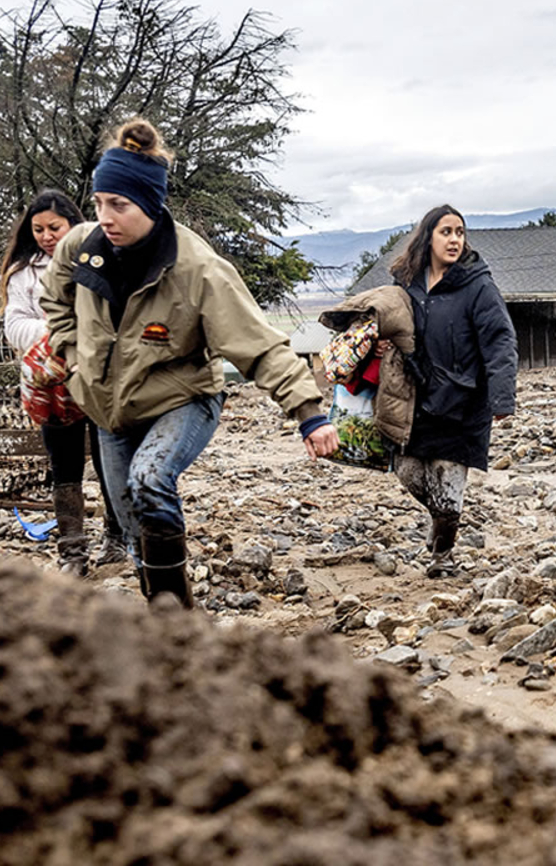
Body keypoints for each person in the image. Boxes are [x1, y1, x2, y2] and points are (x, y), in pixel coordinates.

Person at [41, 118, 339, 609]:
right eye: (98, 203)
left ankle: (177, 616)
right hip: (109, 411)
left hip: (182, 400)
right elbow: (53, 295)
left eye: (118, 205)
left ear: (150, 205)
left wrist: (309, 414)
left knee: (150, 480)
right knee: (133, 517)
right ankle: (160, 614)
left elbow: (258, 344)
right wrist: (70, 351)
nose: (105, 216)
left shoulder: (197, 270)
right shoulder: (82, 247)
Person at [383, 204, 517, 578]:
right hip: (418, 398)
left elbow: (500, 340)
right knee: (406, 470)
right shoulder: (407, 282)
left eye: (460, 232)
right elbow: (394, 325)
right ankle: (442, 517)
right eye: (447, 231)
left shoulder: (477, 285)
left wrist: (502, 396)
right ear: (428, 237)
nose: (455, 239)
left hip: (463, 401)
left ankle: (443, 558)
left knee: (447, 483)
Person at [0, 189, 126, 576]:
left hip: (101, 377)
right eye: (38, 229)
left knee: (111, 459)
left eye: (54, 227)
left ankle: (117, 538)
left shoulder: (103, 259)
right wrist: (64, 330)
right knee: (64, 464)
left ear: (72, 224)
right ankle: (72, 551)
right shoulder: (24, 274)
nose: (46, 236)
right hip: (50, 381)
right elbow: (15, 324)